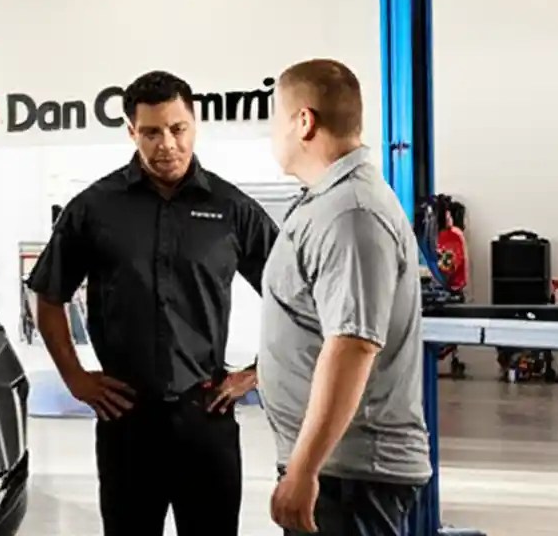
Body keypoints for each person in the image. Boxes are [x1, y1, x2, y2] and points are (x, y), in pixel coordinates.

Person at [25, 69, 278, 536]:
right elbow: (48, 294)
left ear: (195, 124)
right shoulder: (93, 208)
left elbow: (293, 300)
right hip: (126, 420)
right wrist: (76, 378)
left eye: (178, 129)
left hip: (206, 416)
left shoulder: (232, 209)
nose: (167, 144)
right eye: (151, 132)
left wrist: (259, 372)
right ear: (131, 132)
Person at [259, 58, 432, 535]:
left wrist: (304, 469)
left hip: (350, 475)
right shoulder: (327, 202)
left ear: (304, 122)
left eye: (276, 118)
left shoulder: (350, 213)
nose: (273, 133)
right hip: (338, 468)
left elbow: (353, 344)